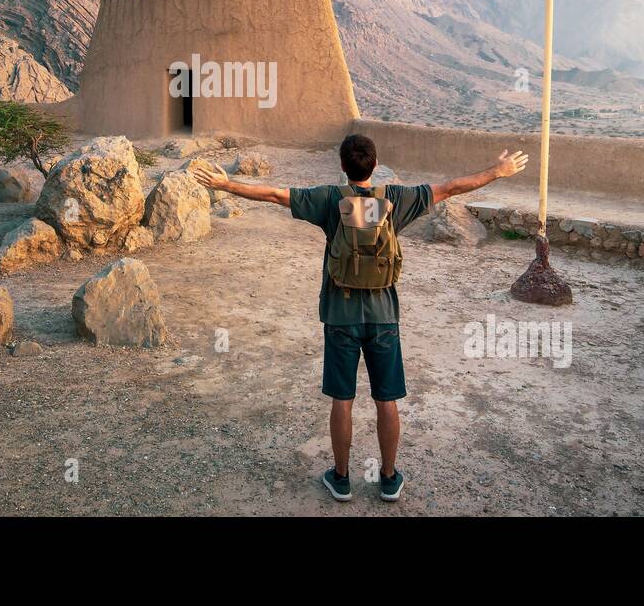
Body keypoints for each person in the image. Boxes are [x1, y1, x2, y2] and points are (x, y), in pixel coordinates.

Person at [190, 133, 527, 503]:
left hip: (340, 315)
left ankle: (342, 477)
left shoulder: (330, 200)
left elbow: (274, 194)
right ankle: (387, 478)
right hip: (383, 317)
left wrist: (225, 184)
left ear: (342, 166)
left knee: (343, 399)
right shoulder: (396, 199)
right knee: (387, 399)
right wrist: (498, 170)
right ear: (375, 163)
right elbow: (450, 188)